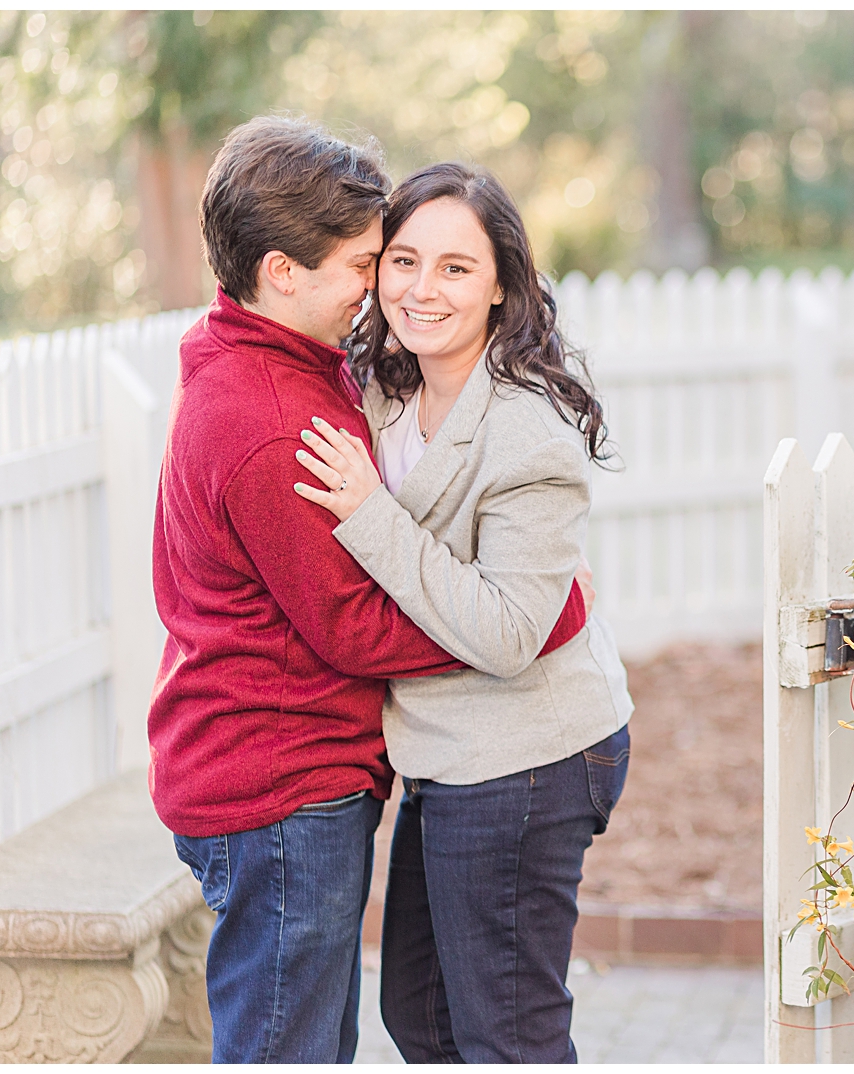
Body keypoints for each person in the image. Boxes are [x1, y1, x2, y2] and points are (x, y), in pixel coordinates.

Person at [147, 118, 590, 1063]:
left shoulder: (291, 368)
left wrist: (513, 610)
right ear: (280, 272)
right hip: (281, 784)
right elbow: (352, 624)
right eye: (368, 263)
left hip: (339, 771)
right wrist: (530, 622)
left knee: (439, 1028)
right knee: (297, 1051)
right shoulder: (275, 419)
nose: (379, 287)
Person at [290, 161, 633, 1064]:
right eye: (402, 262)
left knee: (504, 1034)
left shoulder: (527, 432)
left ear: (500, 289)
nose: (421, 288)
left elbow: (509, 634)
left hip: (529, 754)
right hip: (443, 750)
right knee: (422, 1013)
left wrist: (368, 513)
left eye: (455, 267)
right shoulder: (383, 391)